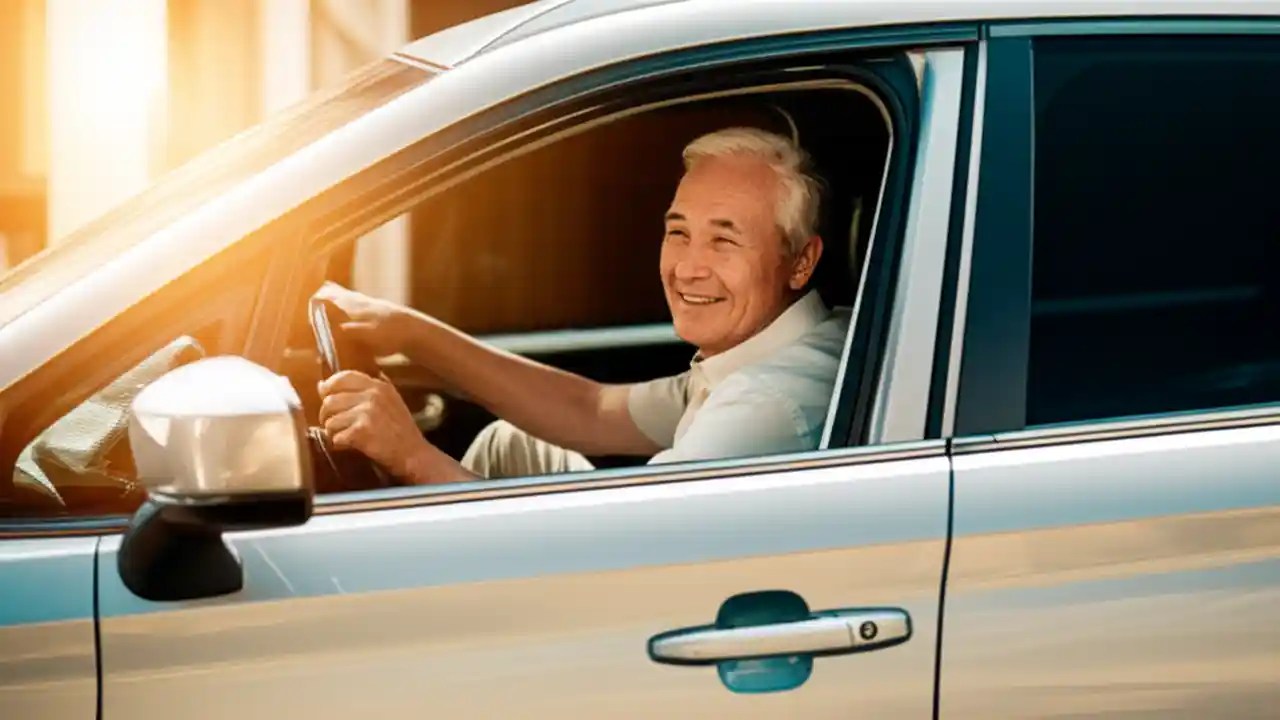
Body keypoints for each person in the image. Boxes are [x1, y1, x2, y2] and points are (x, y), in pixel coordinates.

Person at [316, 127, 851, 485]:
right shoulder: (795, 344)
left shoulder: (767, 405)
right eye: (679, 233)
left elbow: (600, 559)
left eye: (724, 241)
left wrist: (411, 456)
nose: (688, 267)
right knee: (514, 444)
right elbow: (590, 409)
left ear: (801, 262)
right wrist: (411, 333)